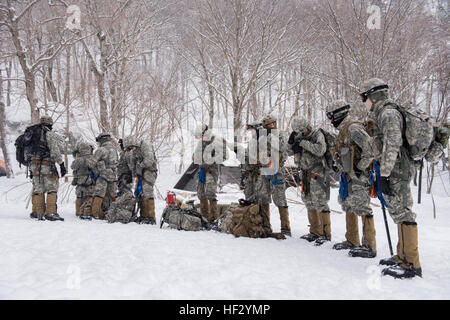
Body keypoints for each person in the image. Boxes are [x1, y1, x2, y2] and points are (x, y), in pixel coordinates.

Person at [361, 78, 422, 278]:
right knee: (397, 210)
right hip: (392, 169)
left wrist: (384, 175)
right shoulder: (382, 113)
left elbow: (393, 144)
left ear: (374, 95)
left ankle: (412, 263)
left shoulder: (388, 113)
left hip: (397, 170)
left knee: (404, 212)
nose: (365, 101)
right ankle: (401, 256)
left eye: (365, 97)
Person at [326, 100, 377, 258]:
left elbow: (371, 149)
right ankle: (352, 239)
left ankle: (369, 246)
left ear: (338, 115)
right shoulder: (343, 130)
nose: (330, 120)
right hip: (347, 175)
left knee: (362, 207)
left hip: (359, 176)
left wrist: (361, 167)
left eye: (331, 117)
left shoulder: (353, 128)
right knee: (348, 204)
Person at [288, 116, 331, 245]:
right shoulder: (299, 136)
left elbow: (320, 150)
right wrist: (292, 143)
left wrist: (303, 143)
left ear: (306, 128)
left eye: (300, 131)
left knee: (320, 201)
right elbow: (288, 151)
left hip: (318, 173)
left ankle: (326, 234)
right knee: (308, 201)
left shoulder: (317, 134)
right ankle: (315, 231)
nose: (299, 134)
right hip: (305, 173)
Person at [254, 115, 291, 237]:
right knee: (263, 197)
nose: (272, 126)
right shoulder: (262, 137)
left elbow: (282, 146)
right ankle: (266, 226)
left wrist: (269, 138)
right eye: (269, 125)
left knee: (280, 197)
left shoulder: (281, 134)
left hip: (276, 169)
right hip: (264, 169)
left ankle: (285, 228)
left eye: (273, 124)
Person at [29, 116, 66, 221]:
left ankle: (38, 212)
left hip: (33, 166)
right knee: (52, 189)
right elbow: (55, 151)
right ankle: (51, 213)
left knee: (38, 189)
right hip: (46, 165)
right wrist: (61, 164)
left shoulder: (32, 135)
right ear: (50, 124)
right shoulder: (49, 134)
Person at [193, 124, 226, 223]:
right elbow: (194, 156)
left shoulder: (216, 140)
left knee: (210, 193)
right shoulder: (201, 143)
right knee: (201, 193)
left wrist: (210, 161)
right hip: (202, 170)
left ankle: (214, 219)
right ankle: (205, 218)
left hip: (212, 170)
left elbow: (224, 156)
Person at [123, 135, 158, 224]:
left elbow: (149, 160)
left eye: (131, 147)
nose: (131, 150)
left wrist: (140, 166)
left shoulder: (145, 145)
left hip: (150, 170)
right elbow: (132, 164)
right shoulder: (134, 151)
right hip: (141, 172)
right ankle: (144, 216)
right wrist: (133, 174)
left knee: (147, 191)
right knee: (140, 192)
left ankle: (151, 217)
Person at [91, 133, 119, 219]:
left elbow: (92, 163)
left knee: (99, 194)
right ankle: (115, 212)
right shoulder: (115, 150)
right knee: (113, 195)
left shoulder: (101, 150)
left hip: (103, 175)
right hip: (113, 175)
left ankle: (95, 213)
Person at [71, 141, 96, 220]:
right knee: (89, 196)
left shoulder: (79, 159)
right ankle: (87, 211)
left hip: (80, 181)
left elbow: (73, 167)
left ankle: (79, 211)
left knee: (79, 196)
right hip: (90, 180)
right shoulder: (93, 158)